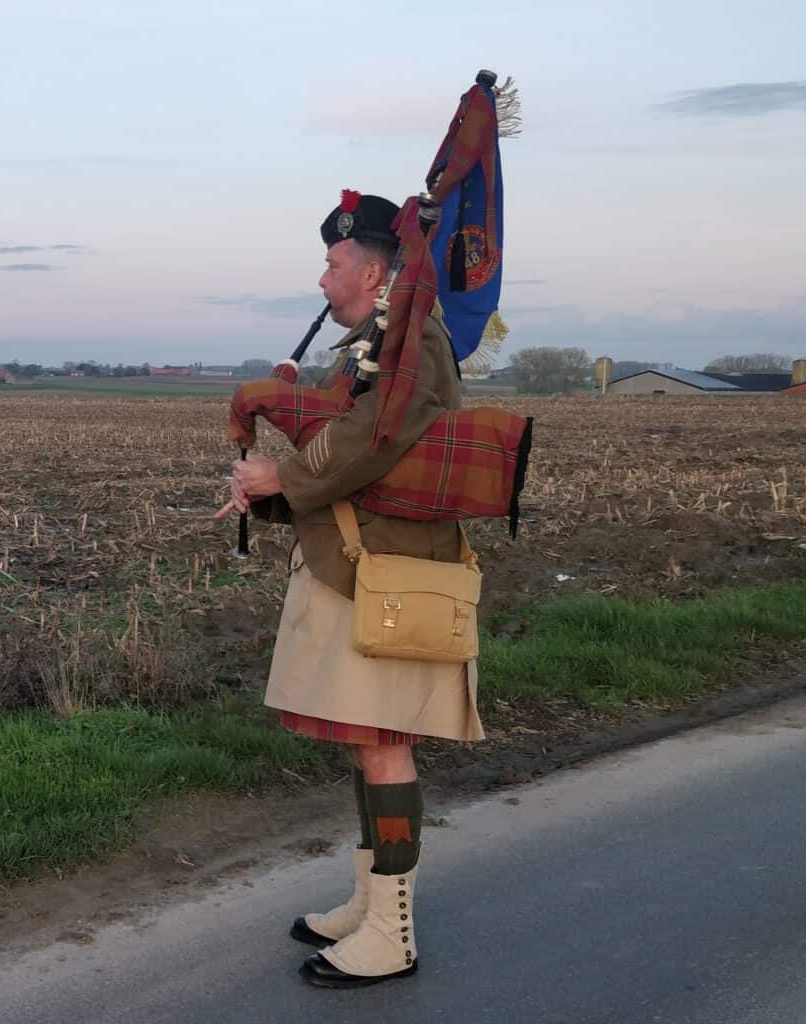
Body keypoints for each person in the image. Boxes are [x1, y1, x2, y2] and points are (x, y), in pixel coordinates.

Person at [216, 190, 484, 989]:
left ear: (373, 273)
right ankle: (371, 900)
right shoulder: (371, 344)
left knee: (383, 740)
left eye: (333, 264)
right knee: (367, 740)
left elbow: (372, 439)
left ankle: (393, 932)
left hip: (392, 572)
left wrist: (283, 472)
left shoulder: (414, 342)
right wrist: (265, 488)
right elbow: (337, 441)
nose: (322, 277)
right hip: (356, 564)